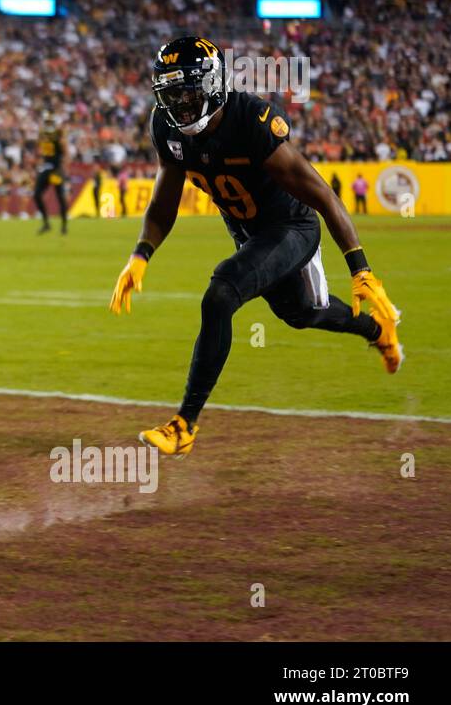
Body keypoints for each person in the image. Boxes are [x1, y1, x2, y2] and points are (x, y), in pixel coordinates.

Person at [110, 36, 401, 457]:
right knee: (301, 313)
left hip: (291, 225)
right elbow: (163, 203)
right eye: (170, 93)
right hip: (247, 231)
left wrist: (360, 267)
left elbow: (322, 194)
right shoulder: (167, 128)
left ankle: (184, 425)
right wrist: (140, 256)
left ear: (212, 84)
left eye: (186, 91)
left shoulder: (250, 119)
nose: (179, 104)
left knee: (220, 294)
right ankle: (377, 331)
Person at [34, 113, 68, 234]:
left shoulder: (59, 136)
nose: (48, 125)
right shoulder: (43, 134)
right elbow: (39, 147)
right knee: (37, 194)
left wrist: (63, 168)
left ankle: (64, 225)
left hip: (56, 169)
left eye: (50, 122)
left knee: (60, 196)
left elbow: (65, 151)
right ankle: (46, 223)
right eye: (47, 122)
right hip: (46, 168)